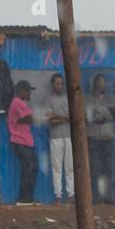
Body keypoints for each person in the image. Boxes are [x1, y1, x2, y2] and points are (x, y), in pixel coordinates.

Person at [86, 73, 115, 204]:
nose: (101, 84)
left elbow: (113, 114)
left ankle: (109, 196)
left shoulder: (110, 98)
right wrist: (103, 112)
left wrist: (99, 112)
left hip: (108, 137)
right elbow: (87, 116)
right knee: (95, 168)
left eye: (103, 81)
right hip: (93, 137)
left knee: (109, 168)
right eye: (99, 81)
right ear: (94, 84)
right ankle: (96, 196)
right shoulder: (87, 98)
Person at [7, 79, 38, 204]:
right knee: (29, 169)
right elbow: (29, 119)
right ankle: (23, 198)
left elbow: (29, 119)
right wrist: (33, 117)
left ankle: (27, 198)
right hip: (20, 141)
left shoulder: (20, 103)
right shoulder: (17, 102)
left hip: (25, 141)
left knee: (31, 168)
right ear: (21, 91)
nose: (30, 93)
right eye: (28, 90)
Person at [45, 73, 75, 203]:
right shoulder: (48, 99)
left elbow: (73, 117)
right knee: (57, 167)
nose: (60, 86)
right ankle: (58, 195)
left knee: (70, 167)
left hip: (69, 136)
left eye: (62, 83)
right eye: (57, 83)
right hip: (55, 137)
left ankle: (71, 195)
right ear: (53, 85)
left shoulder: (69, 98)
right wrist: (64, 117)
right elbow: (50, 119)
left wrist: (58, 116)